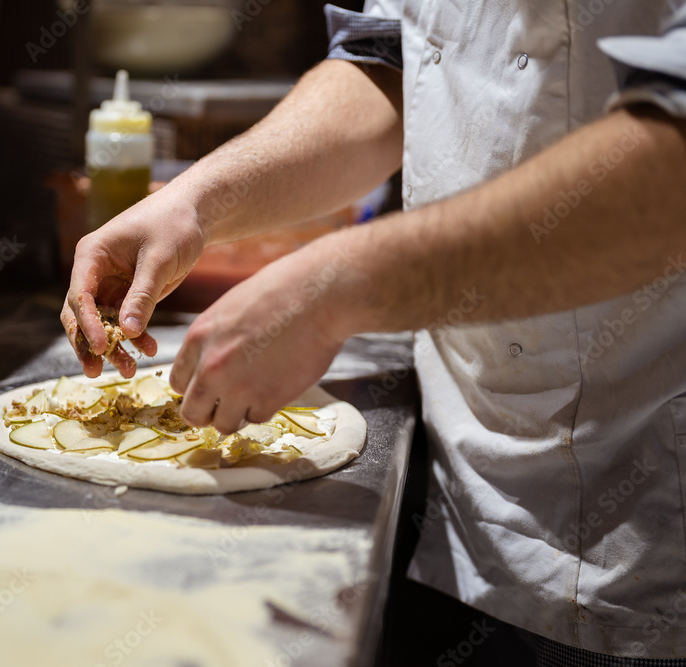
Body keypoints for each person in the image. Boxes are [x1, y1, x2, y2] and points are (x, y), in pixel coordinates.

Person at [61, 0, 686, 663]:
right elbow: (389, 67)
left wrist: (340, 286)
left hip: (643, 514)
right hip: (452, 494)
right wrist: (192, 202)